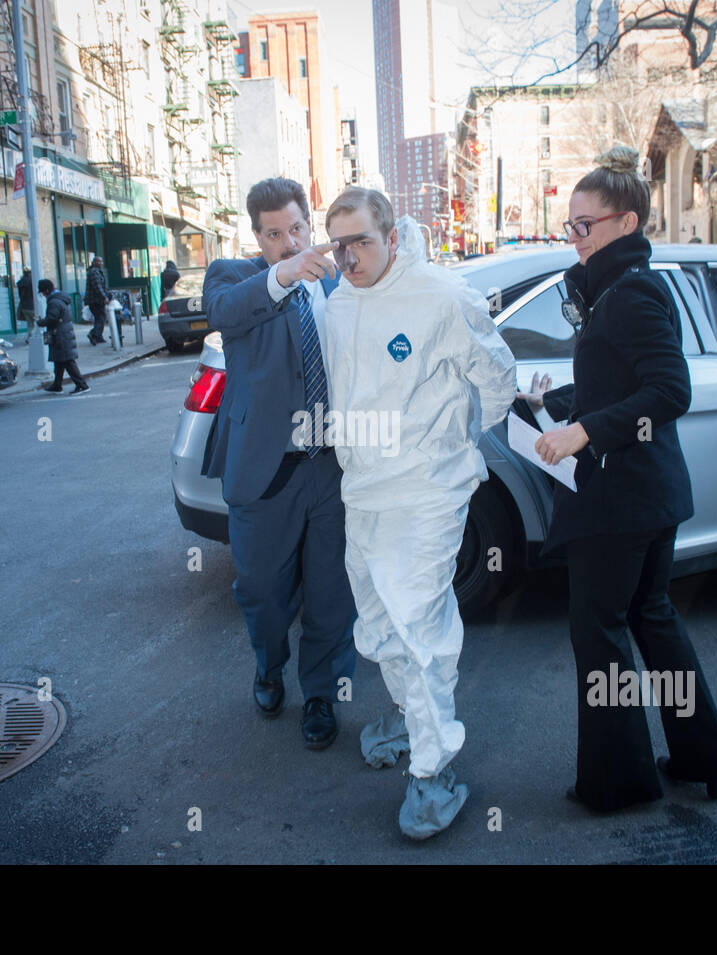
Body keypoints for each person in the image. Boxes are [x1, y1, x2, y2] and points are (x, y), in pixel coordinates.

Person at [527, 145, 717, 812]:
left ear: (625, 223)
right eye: (569, 225)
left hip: (622, 499)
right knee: (651, 619)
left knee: (601, 632)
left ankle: (618, 782)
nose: (573, 238)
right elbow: (620, 385)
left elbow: (669, 390)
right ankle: (701, 755)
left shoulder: (634, 290)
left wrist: (583, 432)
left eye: (582, 225)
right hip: (644, 492)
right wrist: (551, 406)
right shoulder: (620, 289)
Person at [321, 188, 517, 840]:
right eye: (338, 244)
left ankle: (434, 772)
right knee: (377, 626)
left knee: (420, 631)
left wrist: (450, 446)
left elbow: (497, 378)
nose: (349, 257)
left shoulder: (441, 295)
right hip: (364, 492)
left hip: (427, 495)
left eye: (362, 242)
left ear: (393, 237)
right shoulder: (340, 299)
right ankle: (410, 718)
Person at [200, 177, 357, 750]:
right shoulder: (235, 278)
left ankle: (320, 693)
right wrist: (283, 275)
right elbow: (222, 312)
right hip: (269, 470)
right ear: (257, 238)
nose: (289, 243)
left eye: (296, 229)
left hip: (333, 467)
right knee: (263, 592)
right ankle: (269, 666)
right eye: (274, 235)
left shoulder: (340, 281)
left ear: (309, 225)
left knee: (331, 592)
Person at [36, 278, 89, 394]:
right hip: (63, 332)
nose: (43, 295)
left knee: (67, 361)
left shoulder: (54, 302)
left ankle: (82, 385)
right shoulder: (60, 299)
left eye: (42, 292)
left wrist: (41, 322)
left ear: (46, 290)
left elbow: (52, 318)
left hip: (60, 334)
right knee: (59, 361)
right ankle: (57, 385)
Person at [85, 255, 109, 345]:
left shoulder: (97, 271)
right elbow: (97, 286)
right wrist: (104, 297)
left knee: (100, 318)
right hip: (95, 300)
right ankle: (93, 334)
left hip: (97, 300)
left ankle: (98, 336)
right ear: (94, 262)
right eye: (98, 261)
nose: (100, 263)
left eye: (101, 261)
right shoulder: (94, 272)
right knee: (100, 318)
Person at [17, 268, 35, 345]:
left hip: (24, 306)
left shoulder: (21, 282)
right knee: (36, 323)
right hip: (32, 306)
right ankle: (31, 338)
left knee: (30, 324)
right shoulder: (33, 281)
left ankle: (29, 338)